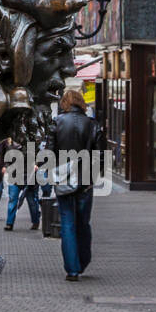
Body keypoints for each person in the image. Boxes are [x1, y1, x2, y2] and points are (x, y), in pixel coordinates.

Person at [47, 88, 103, 280]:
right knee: (83, 223)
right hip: (86, 181)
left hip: (63, 180)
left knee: (68, 224)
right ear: (81, 103)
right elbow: (101, 155)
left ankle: (72, 269)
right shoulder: (93, 124)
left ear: (64, 103)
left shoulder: (56, 123)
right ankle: (83, 260)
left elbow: (49, 153)